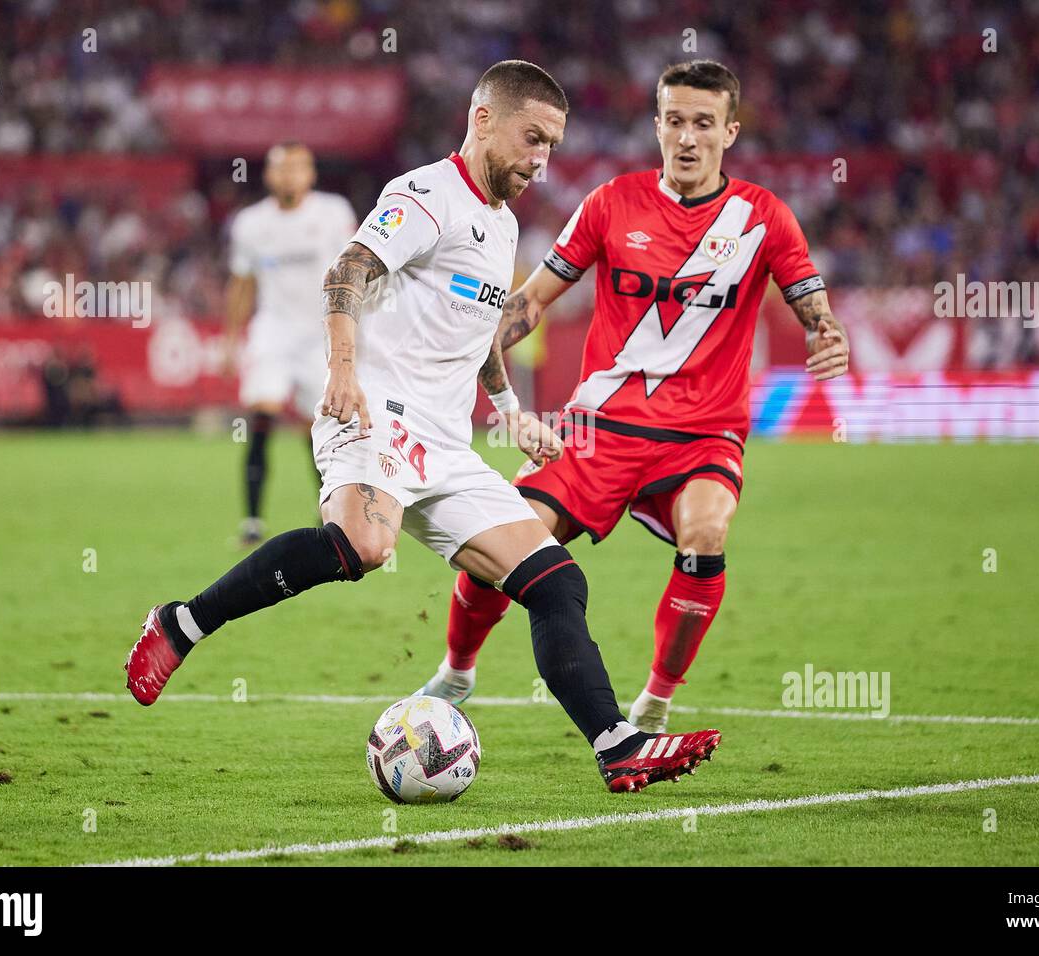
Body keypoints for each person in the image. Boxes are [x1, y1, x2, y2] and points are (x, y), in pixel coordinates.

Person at [125, 60, 721, 794]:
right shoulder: (425, 195)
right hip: (376, 410)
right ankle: (182, 624)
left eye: (552, 146)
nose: (541, 160)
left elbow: (478, 340)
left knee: (555, 581)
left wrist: (511, 414)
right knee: (363, 545)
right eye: (531, 138)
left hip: (446, 443)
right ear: (483, 120)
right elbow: (347, 270)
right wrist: (343, 369)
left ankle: (618, 745)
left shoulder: (501, 226)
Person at [417, 60, 850, 733]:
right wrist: (482, 338)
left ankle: (655, 699)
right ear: (656, 125)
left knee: (706, 530)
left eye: (702, 123)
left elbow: (810, 300)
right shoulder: (611, 203)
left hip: (704, 431)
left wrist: (826, 331)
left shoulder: (762, 217)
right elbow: (531, 299)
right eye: (673, 120)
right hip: (600, 426)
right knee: (504, 536)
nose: (686, 137)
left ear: (729, 131)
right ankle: (457, 669)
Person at [225, 142, 358, 545]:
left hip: (321, 332)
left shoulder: (334, 213)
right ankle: (252, 521)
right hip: (273, 330)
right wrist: (230, 340)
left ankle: (329, 516)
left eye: (297, 168)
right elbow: (242, 283)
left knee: (317, 426)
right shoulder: (250, 223)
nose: (289, 176)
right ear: (269, 175)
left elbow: (355, 271)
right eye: (281, 169)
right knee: (261, 412)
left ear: (310, 173)